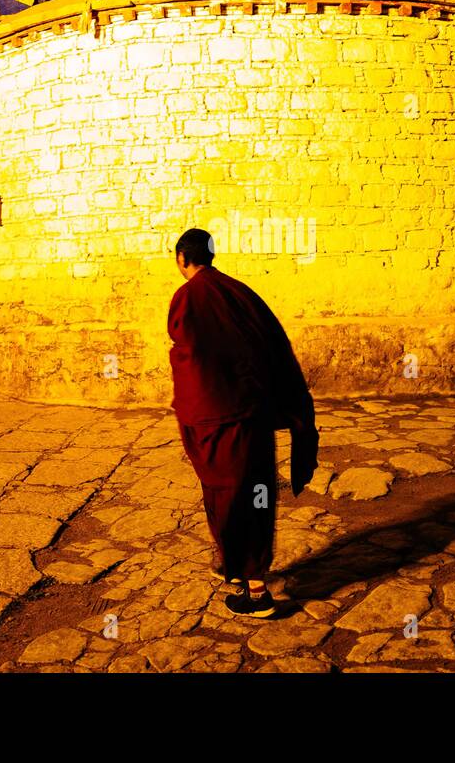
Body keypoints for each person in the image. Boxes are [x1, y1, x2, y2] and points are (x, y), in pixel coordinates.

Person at [167, 228, 319, 618]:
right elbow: (274, 346)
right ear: (211, 256)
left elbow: (189, 358)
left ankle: (257, 592)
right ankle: (234, 568)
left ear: (182, 259)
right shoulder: (242, 293)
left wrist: (190, 405)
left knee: (228, 497)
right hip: (252, 415)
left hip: (216, 418)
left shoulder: (187, 298)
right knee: (255, 494)